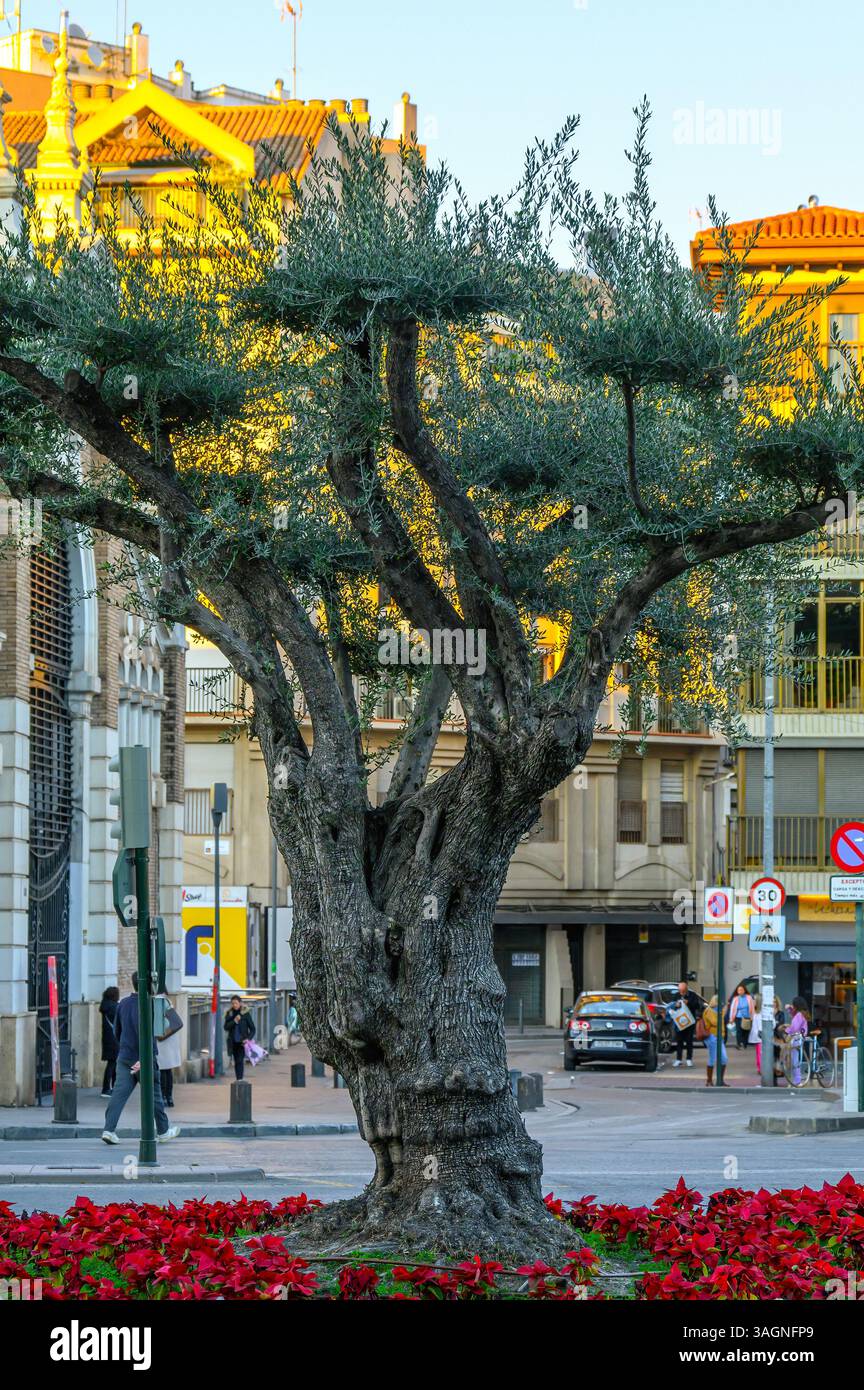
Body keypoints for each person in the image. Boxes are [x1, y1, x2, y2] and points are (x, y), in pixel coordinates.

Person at [102, 974, 180, 1145]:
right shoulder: (152, 1004)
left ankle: (109, 1129)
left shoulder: (123, 1003)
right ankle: (163, 1131)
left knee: (118, 1094)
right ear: (150, 985)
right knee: (154, 1095)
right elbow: (172, 1024)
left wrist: (126, 1048)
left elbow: (117, 1031)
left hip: (125, 1056)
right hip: (145, 1057)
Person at [155, 994, 184, 1108]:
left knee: (162, 1070)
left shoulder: (158, 1000)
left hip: (162, 1038)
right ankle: (169, 1097)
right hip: (170, 1038)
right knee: (167, 1071)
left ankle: (163, 1096)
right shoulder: (167, 1001)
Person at [668, 980, 703, 1068]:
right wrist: (676, 1005)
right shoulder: (676, 995)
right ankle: (678, 1059)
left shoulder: (692, 995)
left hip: (690, 1021)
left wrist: (689, 1003)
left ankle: (689, 1059)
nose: (681, 993)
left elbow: (698, 1005)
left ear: (686, 989)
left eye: (683, 991)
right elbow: (672, 1005)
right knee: (679, 1041)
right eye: (680, 991)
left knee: (689, 1041)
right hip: (679, 1022)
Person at [223, 996, 256, 1080]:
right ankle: (238, 1078)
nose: (234, 1005)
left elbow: (252, 1029)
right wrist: (234, 1021)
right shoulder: (229, 1013)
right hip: (233, 1042)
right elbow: (226, 1027)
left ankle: (240, 1079)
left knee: (240, 1060)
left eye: (236, 1003)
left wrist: (248, 1038)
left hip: (242, 1042)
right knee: (236, 1061)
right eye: (233, 1003)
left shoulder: (245, 1013)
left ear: (240, 1003)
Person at [702, 995, 728, 1086]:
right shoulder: (709, 1011)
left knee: (724, 1059)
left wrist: (723, 1011)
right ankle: (709, 1081)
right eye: (721, 1002)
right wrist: (722, 1012)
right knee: (712, 1058)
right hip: (712, 1037)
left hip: (720, 1037)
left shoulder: (720, 1011)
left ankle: (720, 1080)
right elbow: (715, 1022)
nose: (722, 1004)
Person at [99, 985, 120, 1098]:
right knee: (113, 1064)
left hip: (107, 1038)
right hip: (114, 1039)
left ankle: (109, 1087)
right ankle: (107, 1088)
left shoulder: (105, 1006)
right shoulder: (114, 1007)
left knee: (112, 1063)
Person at [786, 996, 810, 1086]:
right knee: (795, 1058)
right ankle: (796, 1079)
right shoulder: (803, 1013)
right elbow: (793, 1015)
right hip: (800, 1037)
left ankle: (797, 1080)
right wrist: (789, 1008)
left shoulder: (799, 1015)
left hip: (796, 1038)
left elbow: (794, 1028)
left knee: (794, 1059)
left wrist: (786, 1031)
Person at [729, 984, 754, 1050]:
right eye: (738, 990)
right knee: (739, 1031)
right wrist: (731, 1018)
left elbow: (752, 1007)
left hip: (747, 1016)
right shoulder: (736, 999)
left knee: (746, 1031)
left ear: (744, 990)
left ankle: (745, 1043)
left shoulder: (749, 997)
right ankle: (738, 1044)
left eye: (741, 990)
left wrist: (752, 1017)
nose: (740, 991)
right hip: (738, 1016)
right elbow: (732, 1008)